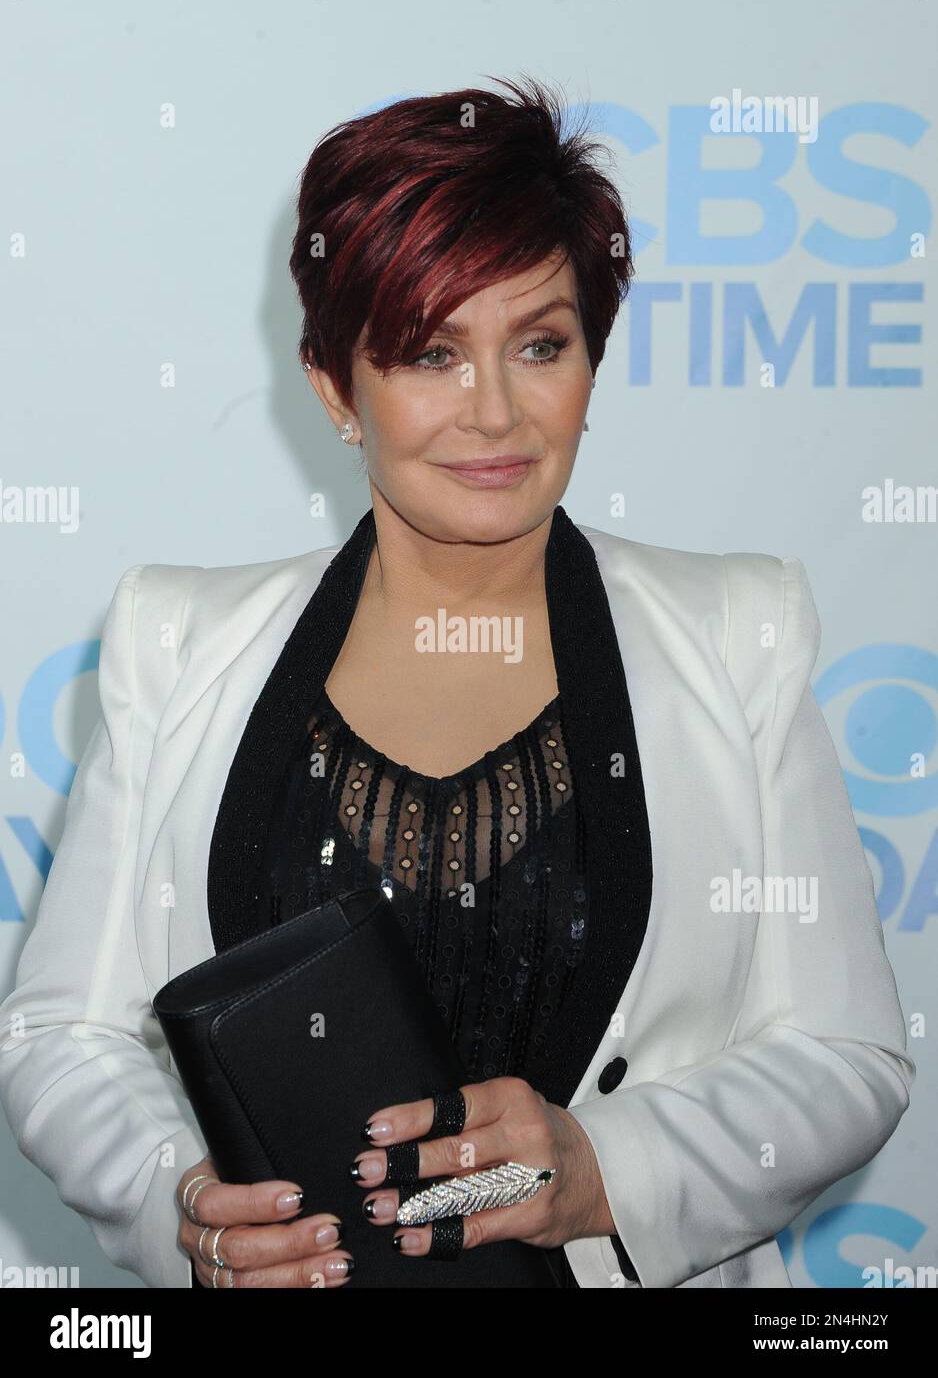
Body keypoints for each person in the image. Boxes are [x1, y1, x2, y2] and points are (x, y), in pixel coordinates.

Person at [0, 75, 914, 1290]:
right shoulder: (177, 641)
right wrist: (188, 1201)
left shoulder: (735, 633)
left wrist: (604, 1166)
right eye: (430, 352)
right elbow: (60, 1036)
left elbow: (846, 1052)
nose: (494, 411)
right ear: (335, 386)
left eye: (539, 344)